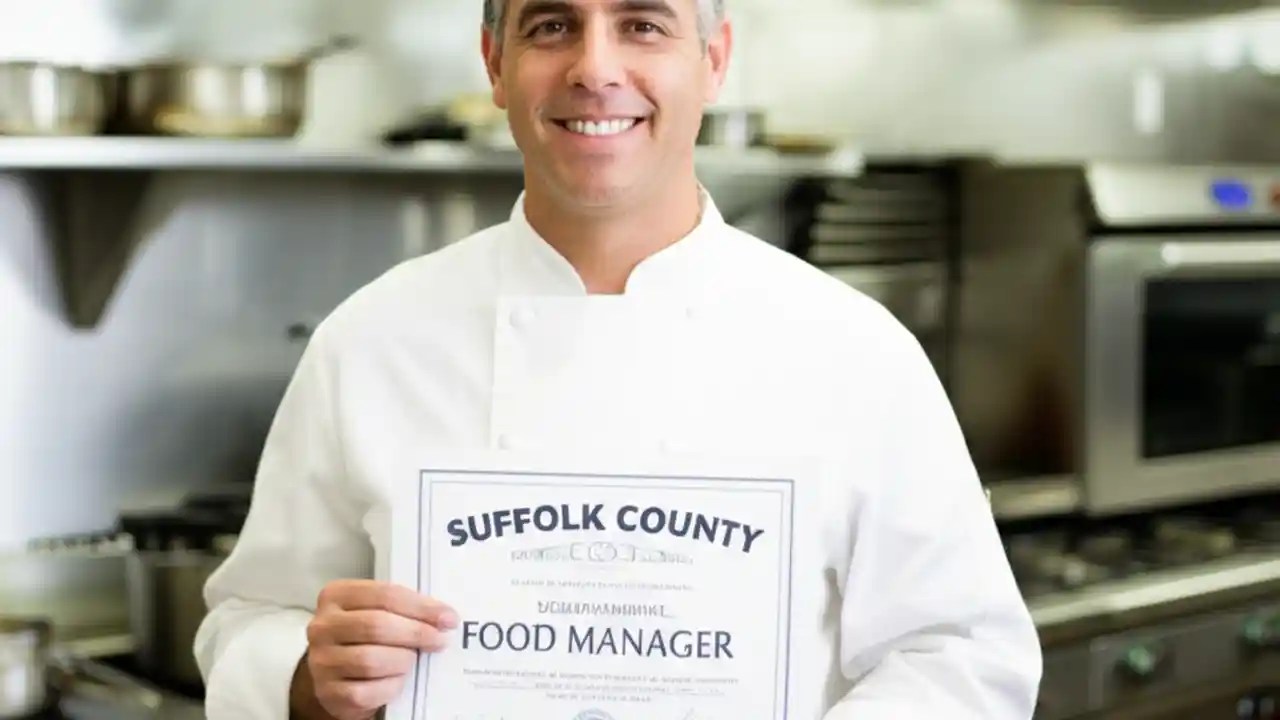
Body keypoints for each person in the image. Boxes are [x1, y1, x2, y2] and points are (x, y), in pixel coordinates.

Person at [194, 0, 1043, 718]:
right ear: (494, 63)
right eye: (553, 25)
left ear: (713, 61)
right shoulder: (372, 339)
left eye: (641, 24)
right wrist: (310, 679)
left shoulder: (856, 352)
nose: (595, 68)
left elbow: (965, 654)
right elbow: (248, 620)